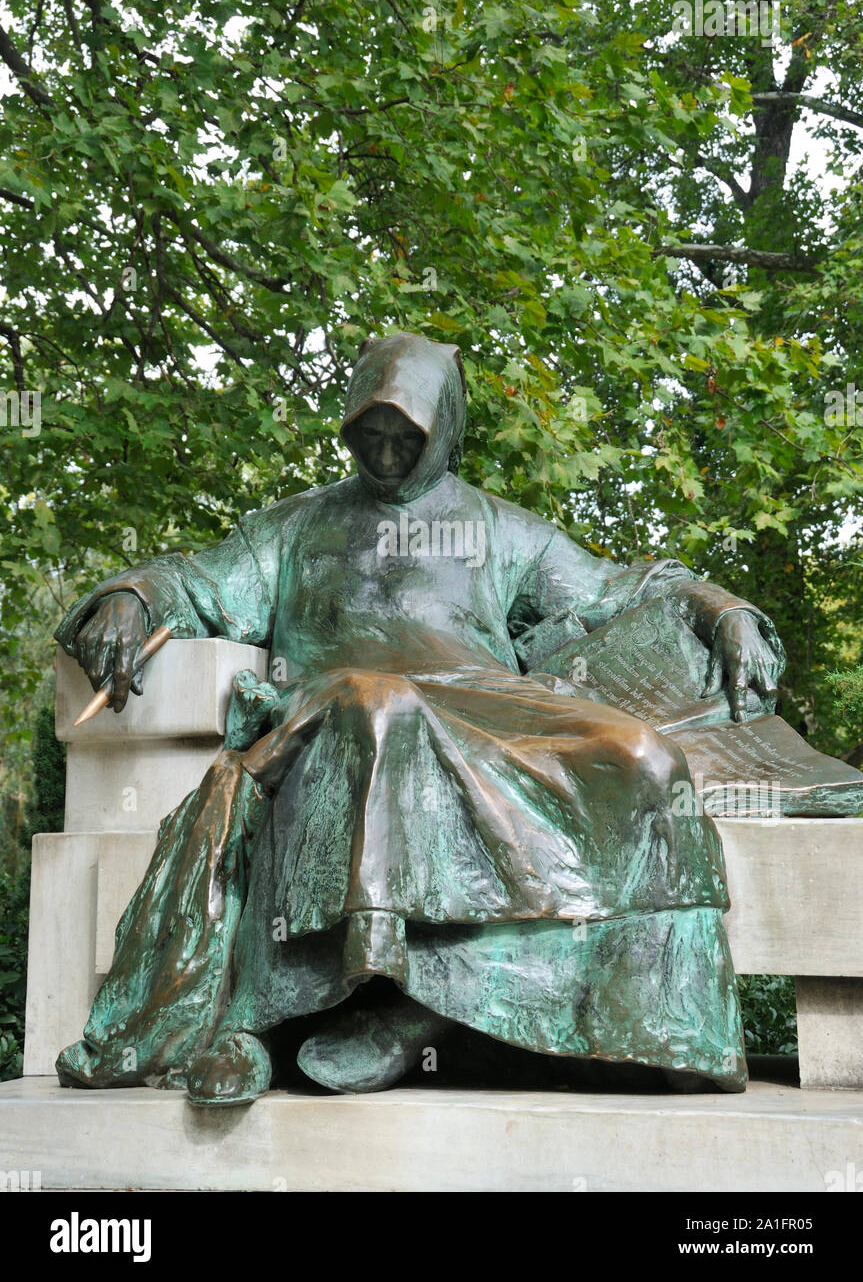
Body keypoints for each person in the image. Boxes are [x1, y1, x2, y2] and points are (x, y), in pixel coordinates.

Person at [54, 332, 783, 1103]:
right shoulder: (294, 525)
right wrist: (132, 597)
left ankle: (644, 1024)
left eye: (409, 437)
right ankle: (337, 1008)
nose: (389, 455)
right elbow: (197, 581)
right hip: (340, 701)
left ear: (447, 430)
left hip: (486, 705)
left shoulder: (503, 529)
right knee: (384, 706)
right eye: (370, 435)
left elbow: (623, 587)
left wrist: (723, 609)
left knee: (642, 757)